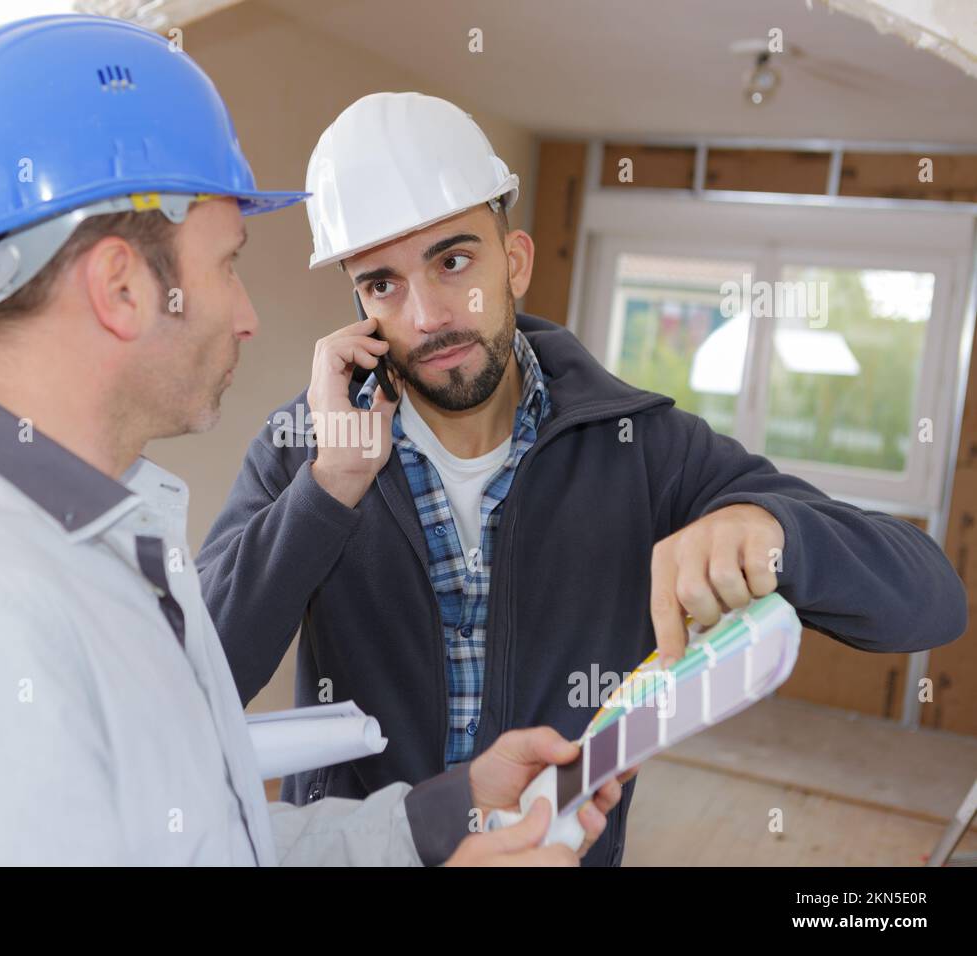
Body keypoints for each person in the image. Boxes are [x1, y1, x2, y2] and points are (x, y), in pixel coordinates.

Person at [0, 18, 618, 866]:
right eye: (228, 263)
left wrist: (439, 821)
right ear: (121, 288)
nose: (248, 316)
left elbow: (208, 841)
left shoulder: (97, 542)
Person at [196, 92, 968, 866]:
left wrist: (774, 530)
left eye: (453, 262)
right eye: (382, 284)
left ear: (516, 262)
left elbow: (930, 600)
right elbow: (192, 684)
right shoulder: (305, 451)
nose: (427, 315)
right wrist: (327, 490)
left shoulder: (644, 449)